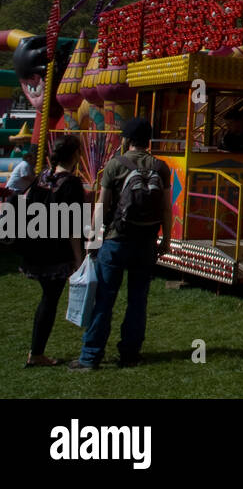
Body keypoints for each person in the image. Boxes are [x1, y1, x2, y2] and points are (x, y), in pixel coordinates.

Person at [68, 117, 172, 370]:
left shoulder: (115, 165)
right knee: (138, 300)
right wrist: (166, 239)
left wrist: (92, 239)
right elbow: (166, 208)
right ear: (148, 140)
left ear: (126, 140)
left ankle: (90, 356)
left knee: (104, 299)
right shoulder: (161, 167)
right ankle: (130, 354)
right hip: (146, 241)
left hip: (116, 241)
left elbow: (101, 206)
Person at [20, 137, 88, 367]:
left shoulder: (42, 178)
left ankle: (36, 351)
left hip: (35, 245)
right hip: (56, 251)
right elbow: (73, 226)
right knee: (49, 300)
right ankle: (36, 352)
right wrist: (79, 259)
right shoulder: (71, 185)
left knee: (47, 299)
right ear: (76, 155)